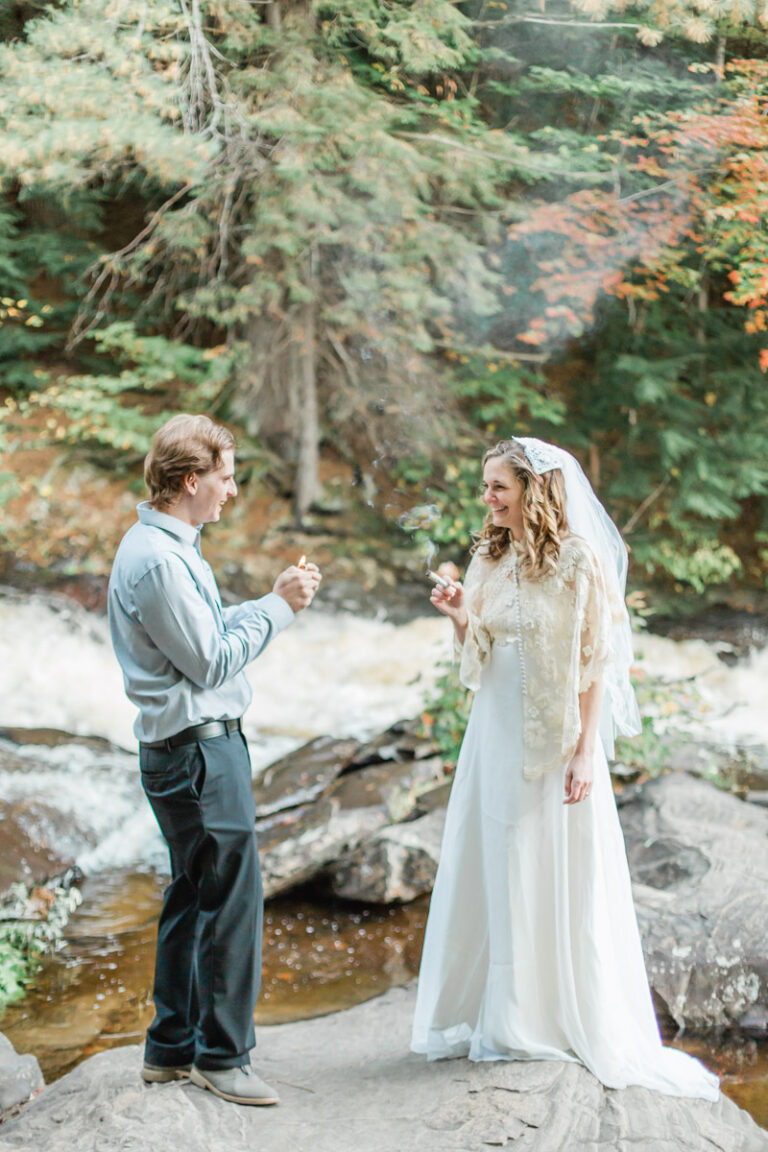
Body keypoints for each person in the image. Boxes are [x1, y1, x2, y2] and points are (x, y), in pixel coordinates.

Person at [411, 437, 719, 1100]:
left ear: (535, 489)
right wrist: (460, 613)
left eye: (499, 487)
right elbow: (483, 651)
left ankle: (552, 1013)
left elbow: (596, 660)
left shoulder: (577, 560)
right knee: (497, 861)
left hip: (556, 739)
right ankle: (505, 1014)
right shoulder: (489, 554)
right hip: (493, 732)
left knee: (549, 864)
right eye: (486, 486)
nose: (487, 498)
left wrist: (585, 751)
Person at [108, 414, 321, 1107]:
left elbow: (204, 634)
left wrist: (263, 602)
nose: (233, 490)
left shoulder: (170, 546)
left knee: (194, 896)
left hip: (190, 750)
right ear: (191, 480)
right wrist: (280, 610)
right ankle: (222, 1059)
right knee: (231, 903)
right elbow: (210, 662)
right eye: (226, 476)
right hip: (198, 755)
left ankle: (171, 1048)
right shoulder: (161, 560)